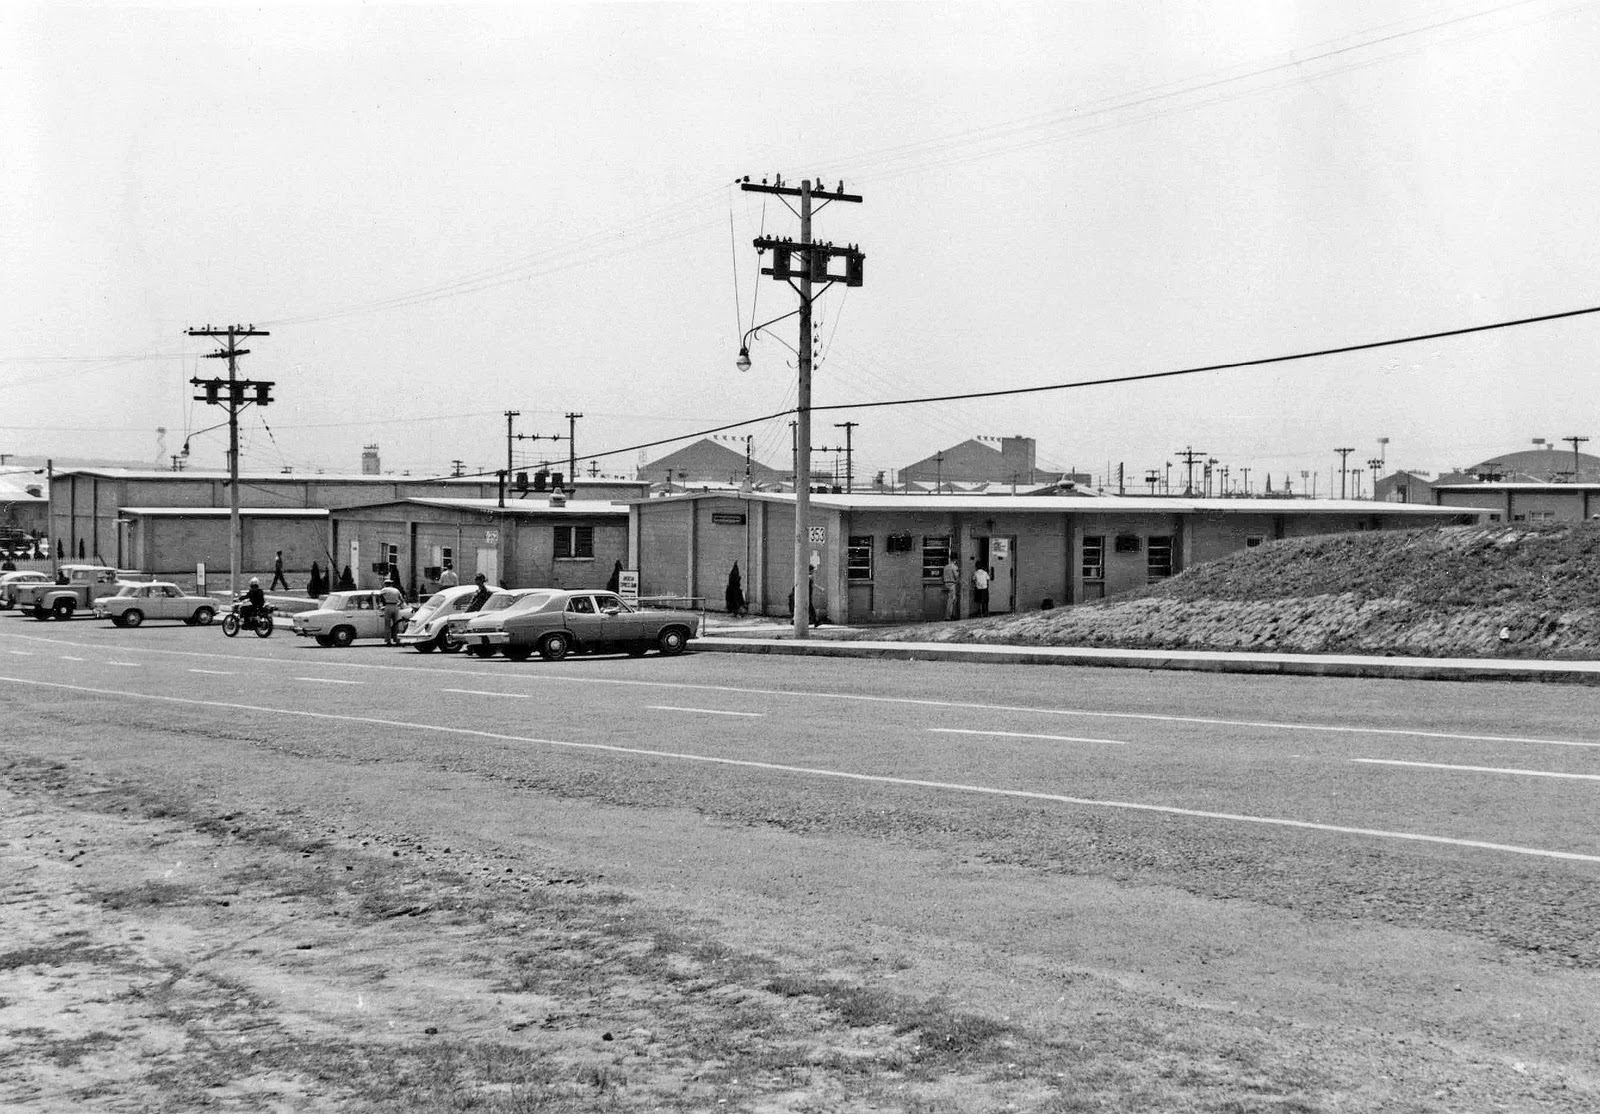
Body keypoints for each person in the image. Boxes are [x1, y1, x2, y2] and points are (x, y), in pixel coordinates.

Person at [380, 578, 403, 644]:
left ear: (386, 584)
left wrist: (382, 604)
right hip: (395, 606)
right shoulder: (396, 590)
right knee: (396, 624)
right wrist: (398, 604)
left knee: (387, 624)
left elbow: (380, 597)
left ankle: (388, 640)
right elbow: (401, 600)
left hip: (388, 606)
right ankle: (397, 640)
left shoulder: (384, 590)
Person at [941, 555, 960, 620]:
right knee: (951, 600)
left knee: (949, 600)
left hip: (946, 583)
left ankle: (950, 615)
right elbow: (956, 576)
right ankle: (949, 616)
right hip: (952, 584)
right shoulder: (954, 567)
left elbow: (942, 576)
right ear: (955, 560)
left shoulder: (945, 567)